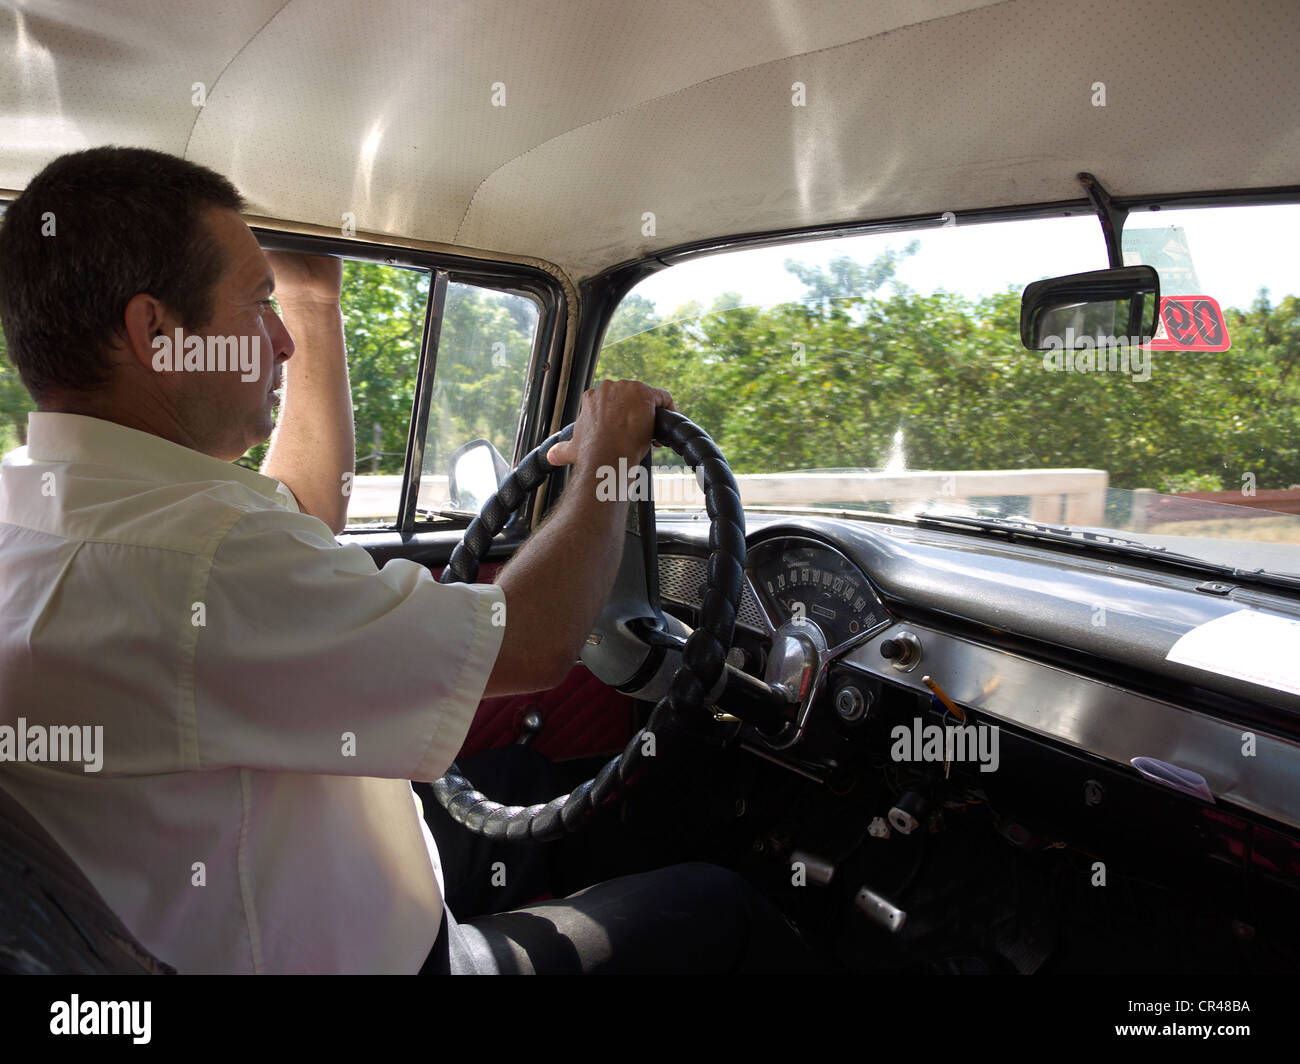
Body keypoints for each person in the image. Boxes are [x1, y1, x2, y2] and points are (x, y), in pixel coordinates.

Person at [0, 146, 819, 974]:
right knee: (719, 906)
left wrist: (319, 302)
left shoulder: (47, 510)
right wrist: (608, 457)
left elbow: (303, 518)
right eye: (258, 305)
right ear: (156, 332)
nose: (280, 341)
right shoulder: (200, 557)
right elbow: (534, 643)